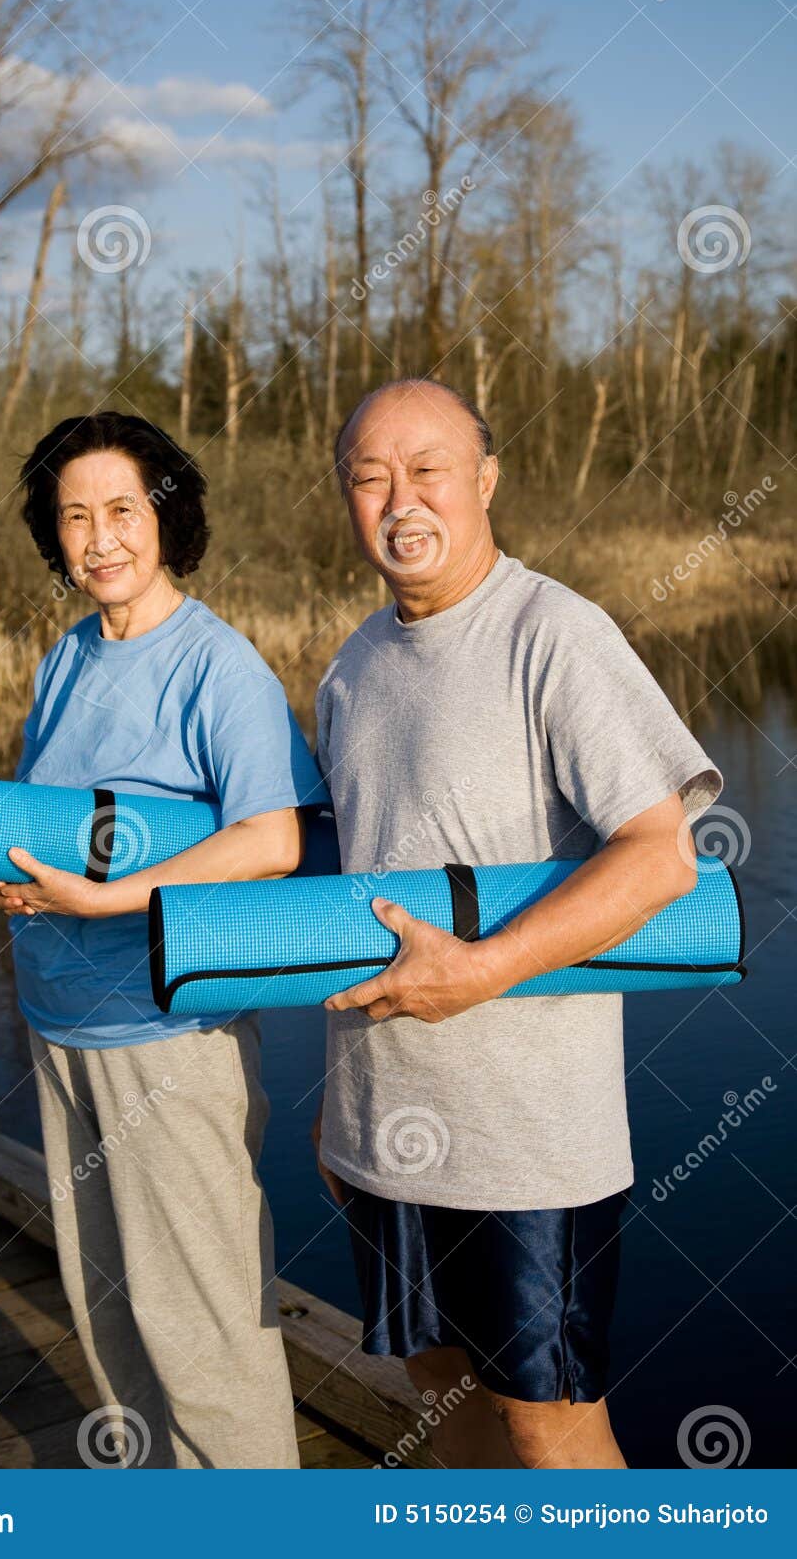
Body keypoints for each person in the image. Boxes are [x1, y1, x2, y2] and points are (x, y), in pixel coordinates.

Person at [311, 378, 724, 1470]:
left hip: (524, 1143)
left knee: (546, 1417)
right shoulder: (346, 673)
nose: (399, 498)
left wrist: (483, 969)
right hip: (381, 1125)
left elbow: (659, 854)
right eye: (368, 476)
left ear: (484, 479)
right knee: (438, 1391)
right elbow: (360, 889)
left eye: (427, 468)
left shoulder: (554, 633)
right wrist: (335, 1111)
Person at [0, 411, 328, 1469]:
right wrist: (23, 879)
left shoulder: (217, 665)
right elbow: (60, 824)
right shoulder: (66, 658)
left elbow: (270, 839)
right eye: (74, 517)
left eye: (121, 511)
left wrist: (114, 895)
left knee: (204, 1333)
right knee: (113, 1316)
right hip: (59, 1023)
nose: (100, 539)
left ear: (166, 517)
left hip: (166, 1033)